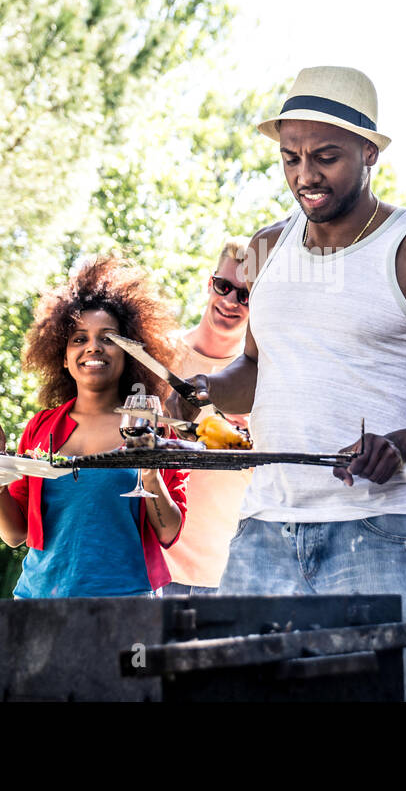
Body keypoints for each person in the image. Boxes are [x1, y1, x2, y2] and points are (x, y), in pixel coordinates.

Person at [170, 66, 406, 701]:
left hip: (381, 534)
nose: (304, 176)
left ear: (369, 152)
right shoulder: (265, 249)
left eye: (325, 157)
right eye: (290, 158)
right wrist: (206, 391)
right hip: (264, 529)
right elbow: (257, 373)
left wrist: (402, 444)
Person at [0, 256, 187, 597]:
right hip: (38, 605)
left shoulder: (154, 429)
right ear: (63, 357)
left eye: (109, 338)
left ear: (130, 352)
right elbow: (15, 534)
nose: (93, 347)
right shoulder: (40, 427)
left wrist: (150, 473)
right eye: (79, 339)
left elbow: (168, 533)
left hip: (126, 609)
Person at [160, 239, 253, 595]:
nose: (230, 301)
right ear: (209, 283)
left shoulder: (262, 378)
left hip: (225, 577)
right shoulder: (159, 353)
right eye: (224, 286)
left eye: (245, 295)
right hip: (149, 567)